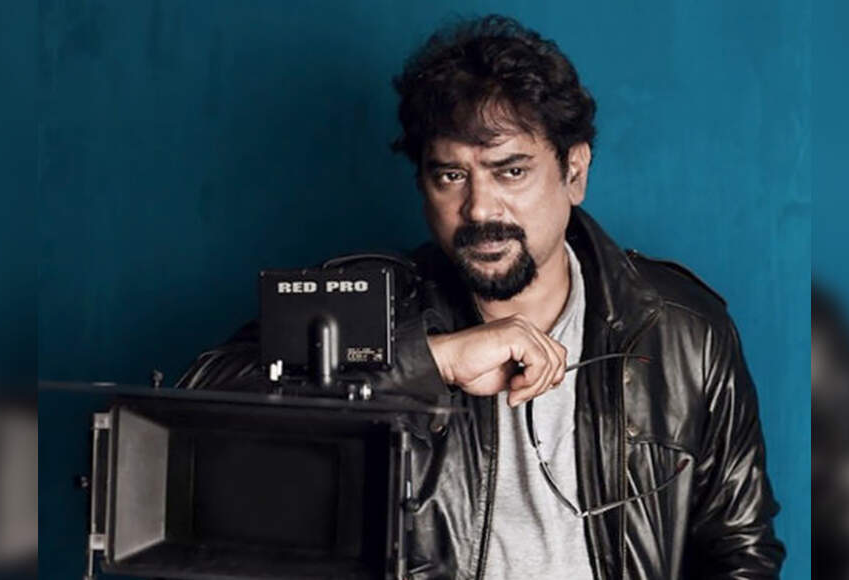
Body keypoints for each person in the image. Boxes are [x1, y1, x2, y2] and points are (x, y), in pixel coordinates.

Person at [179, 15, 784, 579]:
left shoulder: (683, 330)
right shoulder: (372, 305)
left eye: (511, 171)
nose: (479, 209)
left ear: (574, 172)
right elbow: (191, 412)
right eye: (451, 176)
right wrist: (431, 359)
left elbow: (740, 551)